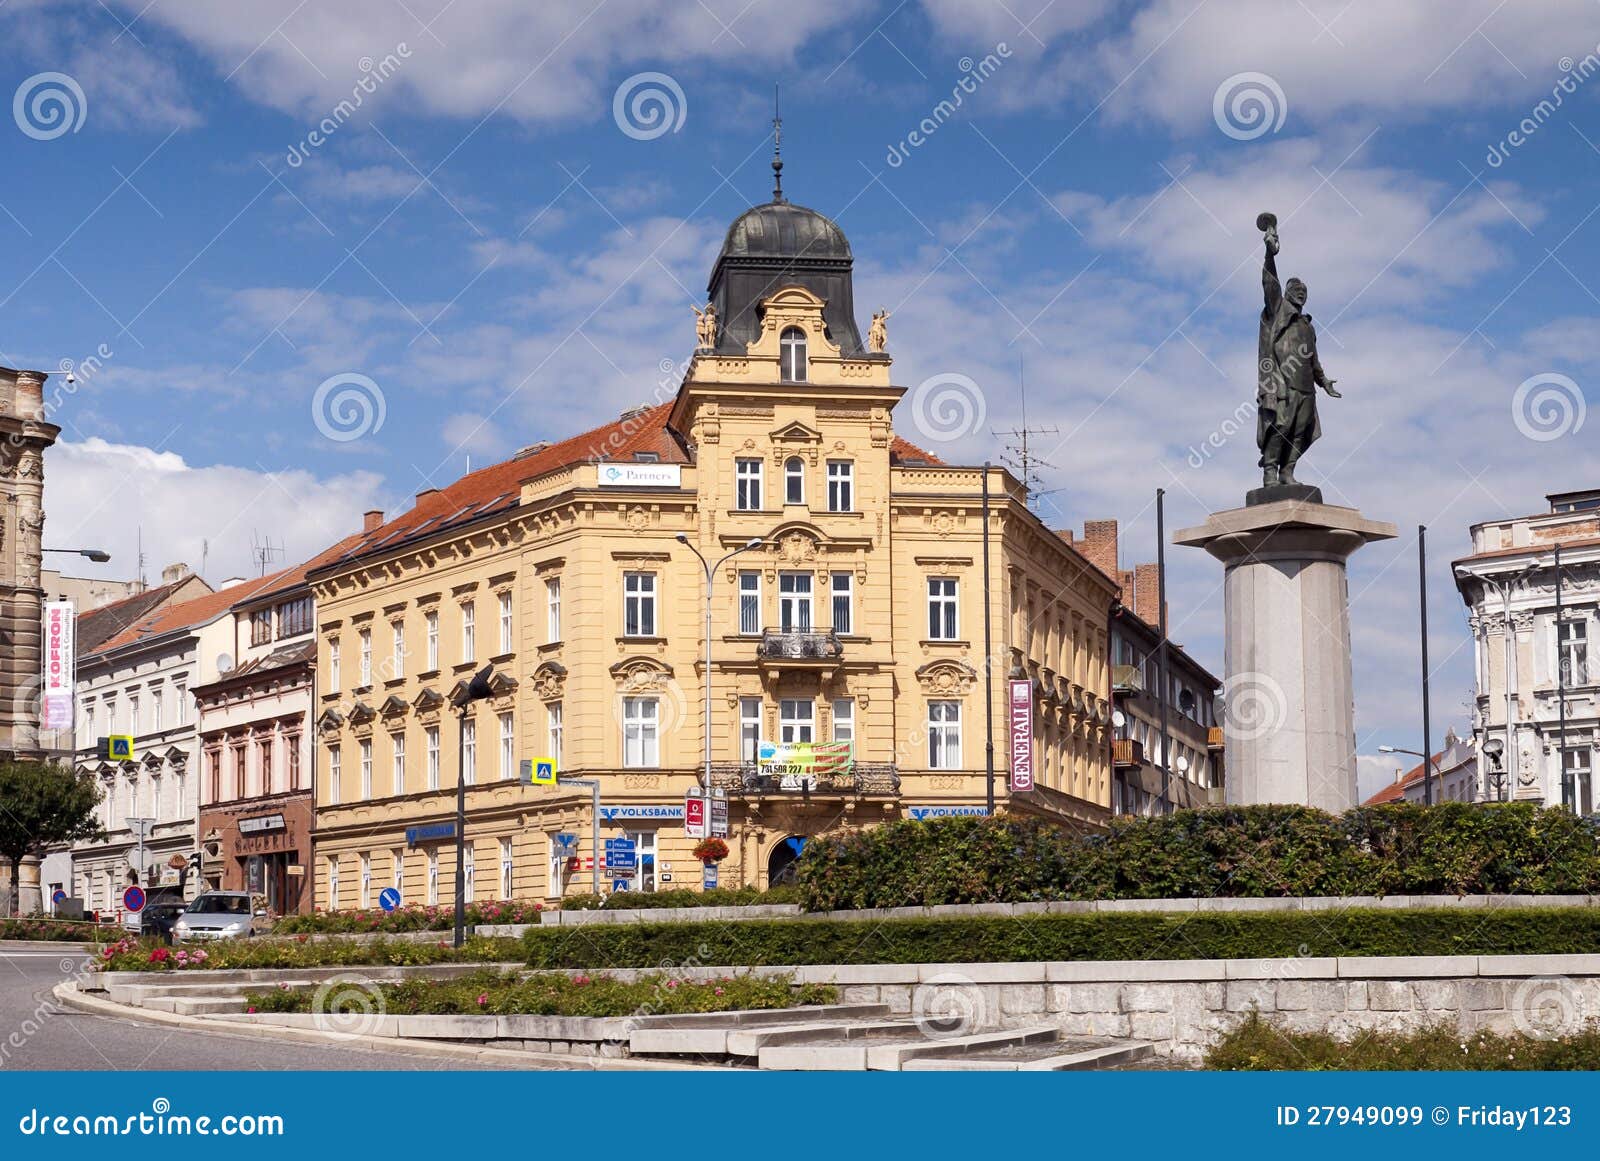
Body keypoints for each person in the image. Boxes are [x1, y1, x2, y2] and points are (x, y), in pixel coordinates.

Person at [1256, 215, 1341, 488]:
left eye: (1304, 291)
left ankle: (1287, 472)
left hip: (1306, 386)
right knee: (1280, 426)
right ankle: (1270, 471)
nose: (1301, 294)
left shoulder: (1307, 325)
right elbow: (1270, 283)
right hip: (1282, 383)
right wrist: (1270, 253)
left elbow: (1313, 358)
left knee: (1302, 431)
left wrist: (1324, 381)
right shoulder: (1278, 310)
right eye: (1296, 290)